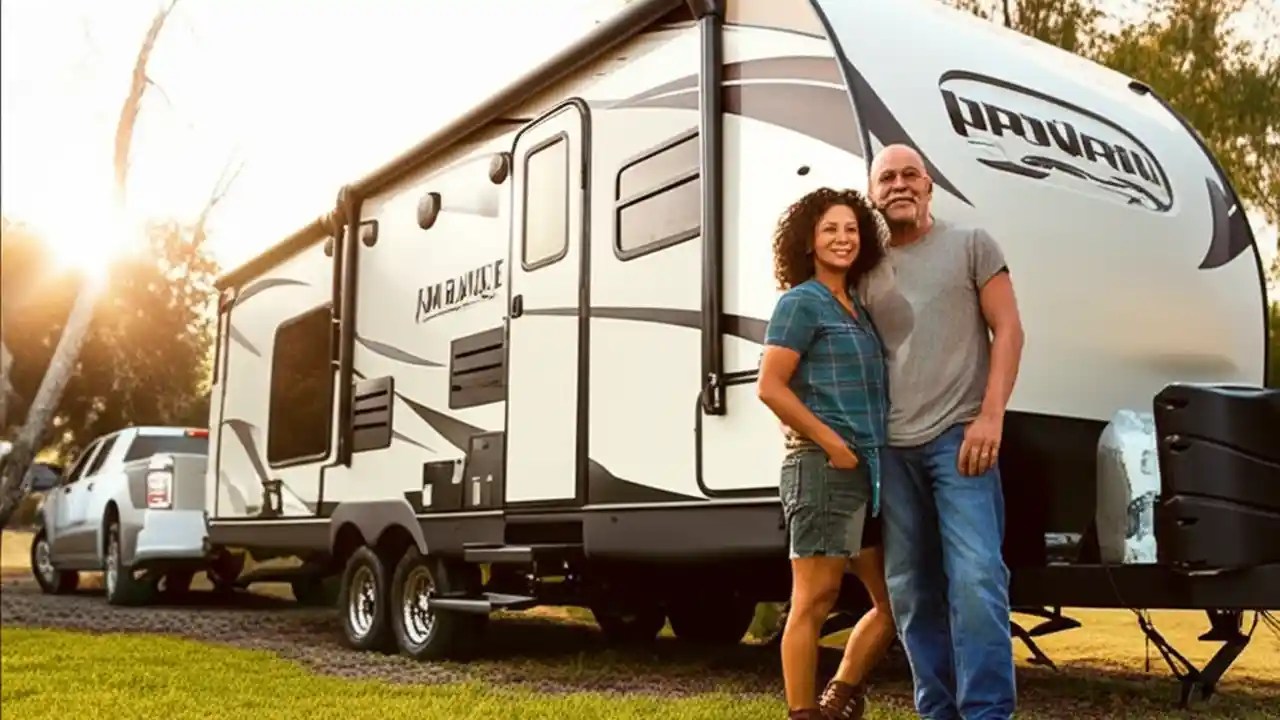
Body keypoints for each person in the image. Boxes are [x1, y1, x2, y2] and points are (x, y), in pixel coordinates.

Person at [856, 144, 1025, 720]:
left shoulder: (971, 245)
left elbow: (1009, 330)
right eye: (886, 178)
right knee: (909, 589)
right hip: (889, 449)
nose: (898, 184)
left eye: (910, 175)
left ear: (929, 187)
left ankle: (986, 713)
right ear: (872, 193)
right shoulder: (862, 267)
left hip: (961, 440)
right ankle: (938, 711)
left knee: (976, 578)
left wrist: (992, 415)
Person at [757, 187, 898, 720]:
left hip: (870, 475)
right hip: (822, 469)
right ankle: (801, 713)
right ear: (809, 242)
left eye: (851, 230)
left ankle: (839, 694)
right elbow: (771, 387)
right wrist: (832, 443)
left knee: (892, 603)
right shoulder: (800, 302)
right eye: (830, 230)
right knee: (814, 601)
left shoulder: (858, 308)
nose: (843, 239)